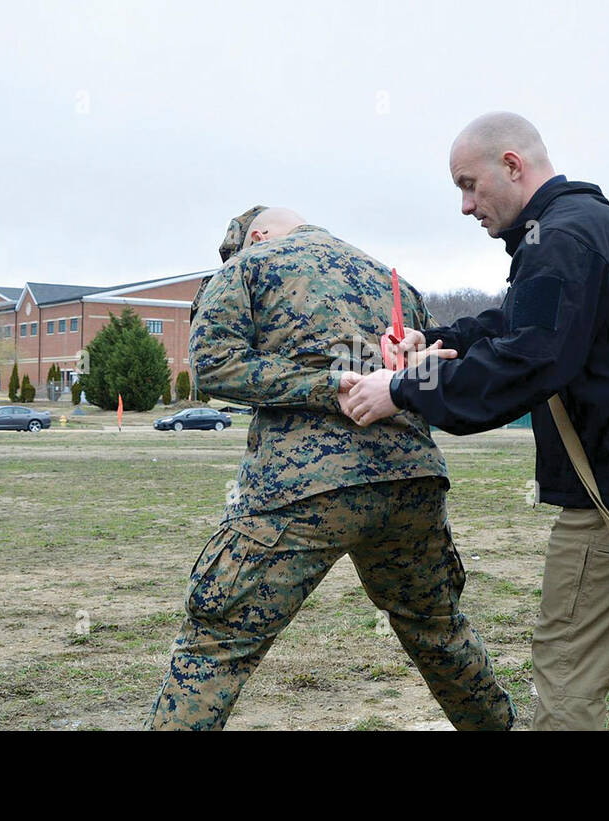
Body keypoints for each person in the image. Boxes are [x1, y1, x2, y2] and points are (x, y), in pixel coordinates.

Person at [343, 112, 609, 730]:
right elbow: (523, 323)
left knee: (568, 670)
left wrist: (401, 388)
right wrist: (440, 339)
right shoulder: (598, 226)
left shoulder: (561, 238)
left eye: (469, 184)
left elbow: (528, 361)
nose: (465, 205)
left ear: (512, 164)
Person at [147, 207, 514, 730]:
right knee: (438, 630)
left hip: (303, 486)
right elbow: (423, 367)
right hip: (411, 480)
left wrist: (322, 386)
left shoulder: (248, 266)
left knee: (217, 643)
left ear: (255, 236)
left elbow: (214, 364)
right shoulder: (393, 281)